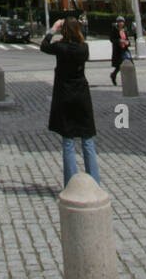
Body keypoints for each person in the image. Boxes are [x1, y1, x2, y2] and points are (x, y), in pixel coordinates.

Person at [40, 17, 101, 186]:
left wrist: (53, 30)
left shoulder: (61, 47)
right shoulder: (84, 48)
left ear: (64, 30)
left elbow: (44, 46)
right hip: (82, 95)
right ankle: (95, 183)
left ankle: (70, 184)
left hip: (65, 95)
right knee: (87, 139)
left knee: (68, 141)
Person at [109, 15, 132, 85]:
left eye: (122, 22)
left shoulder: (125, 30)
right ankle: (114, 75)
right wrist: (119, 41)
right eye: (119, 22)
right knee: (119, 66)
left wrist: (127, 43)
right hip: (118, 50)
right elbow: (112, 39)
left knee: (130, 64)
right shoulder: (115, 30)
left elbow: (127, 39)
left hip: (125, 49)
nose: (121, 23)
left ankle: (128, 79)